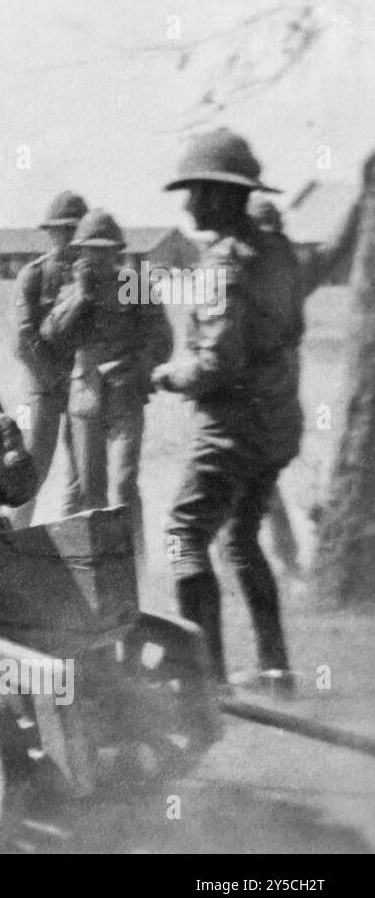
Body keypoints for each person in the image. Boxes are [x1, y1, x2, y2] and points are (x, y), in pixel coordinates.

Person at [150, 128, 304, 696]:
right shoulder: (278, 252)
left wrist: (169, 375)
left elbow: (215, 365)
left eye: (193, 191)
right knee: (240, 539)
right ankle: (275, 668)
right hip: (279, 423)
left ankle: (207, 682)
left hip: (233, 427)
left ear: (220, 195)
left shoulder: (223, 264)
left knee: (183, 535)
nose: (187, 205)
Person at [39, 209, 173, 559]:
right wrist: (82, 297)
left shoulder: (134, 285)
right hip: (85, 399)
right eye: (90, 249)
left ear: (117, 250)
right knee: (90, 493)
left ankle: (138, 567)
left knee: (124, 484)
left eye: (105, 248)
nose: (97, 256)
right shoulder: (72, 288)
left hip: (126, 396)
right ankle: (101, 570)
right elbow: (50, 336)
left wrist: (136, 366)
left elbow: (162, 341)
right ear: (80, 251)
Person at [241, 195, 363, 577]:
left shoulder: (282, 276)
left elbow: (333, 248)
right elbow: (332, 250)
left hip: (270, 400)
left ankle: (287, 559)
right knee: (259, 484)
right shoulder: (253, 275)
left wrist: (360, 202)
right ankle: (283, 559)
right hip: (256, 400)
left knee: (263, 482)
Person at [8, 191, 89, 529]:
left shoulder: (93, 277)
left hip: (82, 385)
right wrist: (56, 377)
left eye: (76, 230)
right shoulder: (34, 274)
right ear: (51, 232)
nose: (70, 238)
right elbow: (23, 340)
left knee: (80, 475)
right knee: (30, 471)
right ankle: (11, 542)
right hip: (43, 386)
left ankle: (71, 546)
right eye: (63, 230)